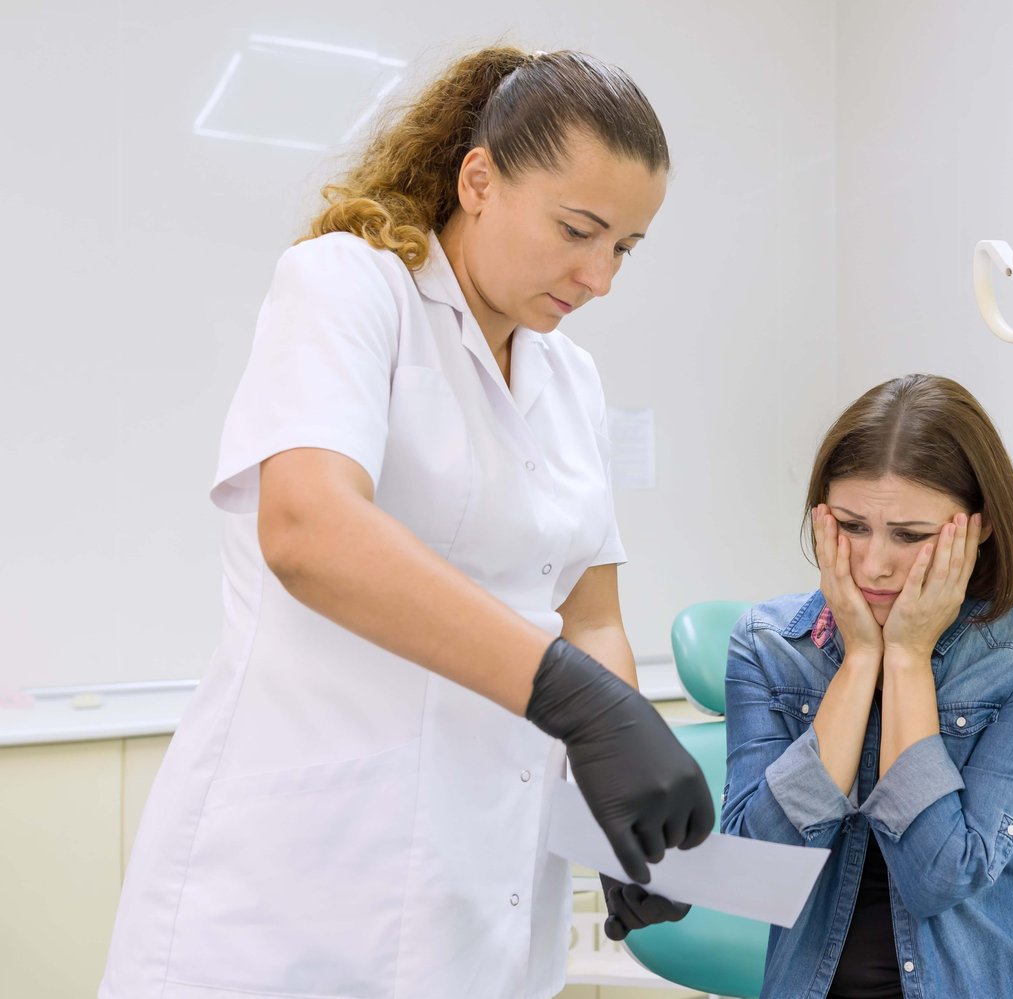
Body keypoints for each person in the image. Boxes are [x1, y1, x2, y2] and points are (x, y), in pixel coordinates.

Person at [99, 45, 712, 999]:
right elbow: (308, 529)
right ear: (479, 179)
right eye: (578, 230)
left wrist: (609, 809)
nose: (601, 279)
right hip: (304, 889)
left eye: (624, 247)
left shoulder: (570, 380)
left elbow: (589, 614)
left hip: (488, 891)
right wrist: (579, 704)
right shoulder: (349, 285)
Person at [721, 374, 1013, 998]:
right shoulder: (768, 646)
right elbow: (755, 874)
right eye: (851, 525)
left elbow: (939, 876)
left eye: (911, 536)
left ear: (978, 528)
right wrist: (859, 658)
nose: (874, 564)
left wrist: (907, 658)